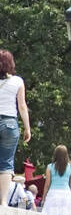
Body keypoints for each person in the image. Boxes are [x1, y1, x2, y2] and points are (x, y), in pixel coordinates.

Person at [0, 50, 32, 201]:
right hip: (10, 124)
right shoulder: (18, 81)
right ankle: (3, 202)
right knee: (6, 164)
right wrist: (27, 128)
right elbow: (22, 106)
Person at [41, 145, 71, 215]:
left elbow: (47, 185)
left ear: (55, 155)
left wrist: (44, 198)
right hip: (66, 194)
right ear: (66, 154)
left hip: (53, 193)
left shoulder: (50, 167)